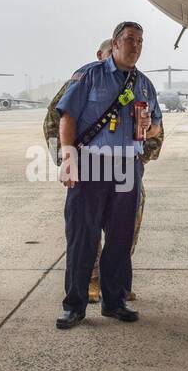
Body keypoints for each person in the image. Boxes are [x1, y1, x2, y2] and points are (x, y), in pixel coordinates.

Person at [54, 21, 161, 329]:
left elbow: (156, 125)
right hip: (91, 164)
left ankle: (114, 302)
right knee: (82, 237)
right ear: (115, 44)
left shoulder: (144, 84)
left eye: (140, 41)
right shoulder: (89, 75)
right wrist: (68, 156)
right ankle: (74, 305)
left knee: (120, 238)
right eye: (129, 40)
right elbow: (68, 115)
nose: (135, 46)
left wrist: (146, 124)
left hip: (128, 167)